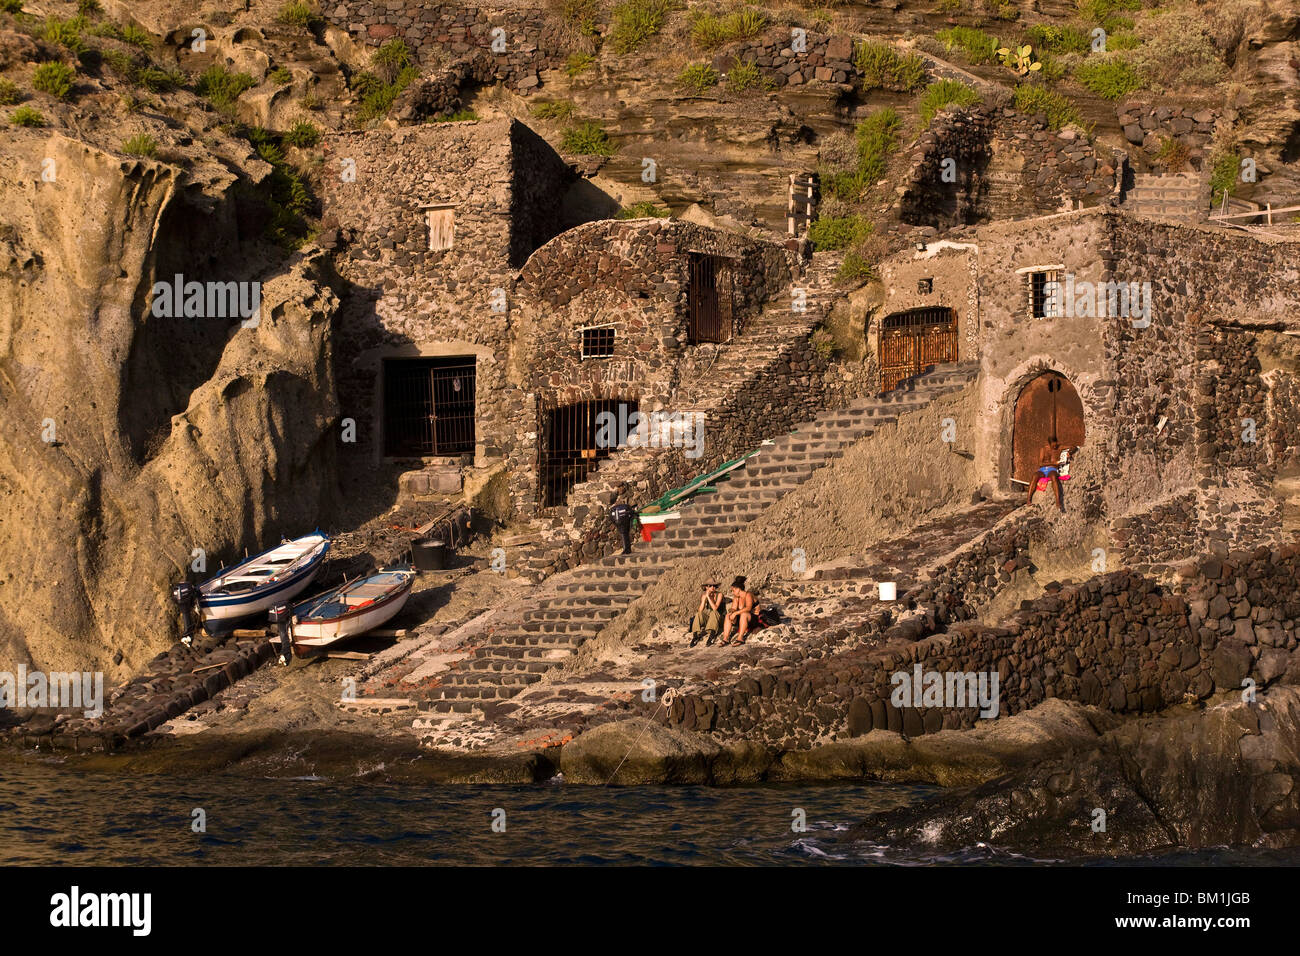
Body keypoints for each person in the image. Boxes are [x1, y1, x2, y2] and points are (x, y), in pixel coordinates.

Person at [1026, 441, 1066, 513]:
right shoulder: (1044, 449)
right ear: (1049, 444)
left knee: (1054, 477)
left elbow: (1073, 447)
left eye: (1056, 445)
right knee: (1035, 476)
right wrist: (1053, 463)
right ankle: (1028, 499)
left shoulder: (1060, 448)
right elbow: (1040, 463)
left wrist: (1070, 452)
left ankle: (1058, 501)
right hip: (1043, 469)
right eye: (1053, 445)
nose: (1054, 447)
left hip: (1053, 469)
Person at [720, 575, 757, 645]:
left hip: (754, 618)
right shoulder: (736, 597)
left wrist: (736, 613)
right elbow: (733, 608)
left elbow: (748, 608)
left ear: (738, 589)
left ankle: (740, 638)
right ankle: (725, 639)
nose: (732, 592)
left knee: (744, 614)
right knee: (728, 615)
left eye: (733, 590)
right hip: (743, 619)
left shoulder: (748, 594)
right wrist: (732, 612)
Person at [688, 577, 725, 647]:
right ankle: (695, 635)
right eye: (710, 586)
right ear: (706, 587)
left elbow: (715, 608)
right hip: (711, 619)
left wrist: (708, 597)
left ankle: (711, 636)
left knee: (714, 613)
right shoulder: (704, 596)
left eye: (714, 586)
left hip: (720, 619)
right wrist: (704, 599)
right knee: (699, 614)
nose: (713, 587)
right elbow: (700, 610)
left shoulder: (719, 595)